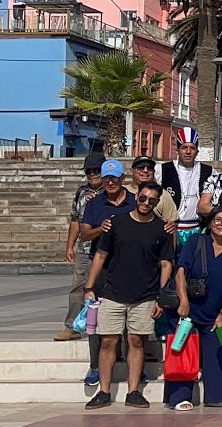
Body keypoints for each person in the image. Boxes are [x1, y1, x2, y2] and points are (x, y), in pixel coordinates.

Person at [83, 180, 174, 410]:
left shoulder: (162, 229)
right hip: (113, 292)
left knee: (137, 341)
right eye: (143, 198)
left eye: (152, 200)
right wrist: (89, 287)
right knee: (108, 341)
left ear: (157, 202)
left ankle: (133, 391)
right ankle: (104, 392)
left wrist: (161, 296)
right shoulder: (116, 223)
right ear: (136, 197)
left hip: (145, 295)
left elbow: (166, 264)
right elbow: (100, 255)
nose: (146, 203)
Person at [166, 207, 222, 410]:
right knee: (182, 352)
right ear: (210, 222)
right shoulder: (197, 241)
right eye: (217, 220)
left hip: (215, 313)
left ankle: (216, 396)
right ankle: (179, 397)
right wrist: (184, 301)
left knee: (218, 356)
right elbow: (181, 271)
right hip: (188, 310)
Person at [59, 152, 105, 344]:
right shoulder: (81, 192)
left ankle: (103, 326)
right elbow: (75, 220)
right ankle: (72, 326)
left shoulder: (111, 190)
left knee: (101, 287)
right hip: (84, 249)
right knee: (77, 287)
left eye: (96, 170)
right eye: (89, 171)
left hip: (104, 249)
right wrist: (70, 245)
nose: (93, 174)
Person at [159, 126, 213, 223]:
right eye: (184, 148)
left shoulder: (209, 171)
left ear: (197, 152)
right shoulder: (162, 169)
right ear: (177, 150)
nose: (188, 152)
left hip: (197, 226)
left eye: (192, 148)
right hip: (169, 226)